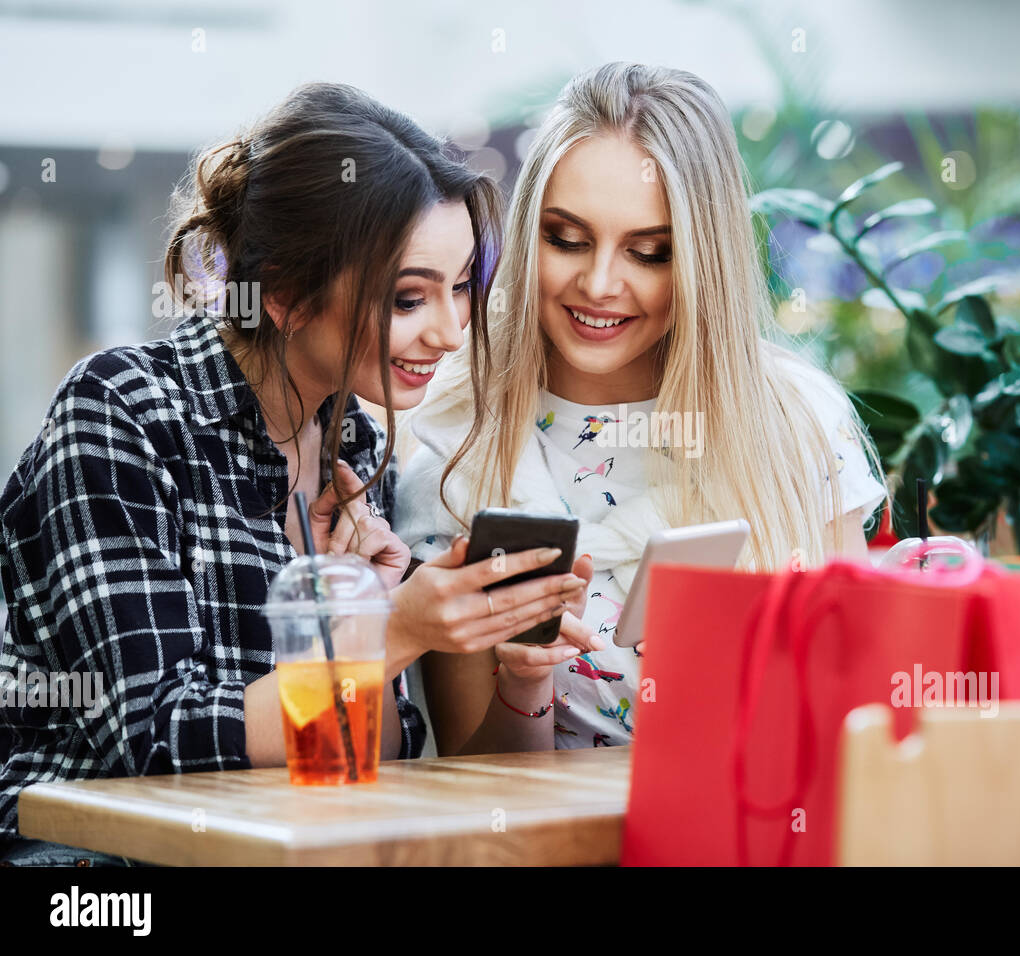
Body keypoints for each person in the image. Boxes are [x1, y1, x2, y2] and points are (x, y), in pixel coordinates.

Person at [0, 83, 597, 866]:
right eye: (410, 297)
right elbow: (152, 742)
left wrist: (485, 663)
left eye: (460, 289)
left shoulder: (352, 445)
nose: (452, 332)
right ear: (282, 292)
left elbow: (351, 763)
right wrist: (394, 631)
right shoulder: (122, 411)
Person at [395, 63, 887, 757]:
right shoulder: (457, 444)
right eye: (566, 239)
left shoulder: (797, 422)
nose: (599, 284)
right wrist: (524, 681)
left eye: (649, 252)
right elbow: (482, 784)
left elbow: (857, 717)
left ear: (701, 260)